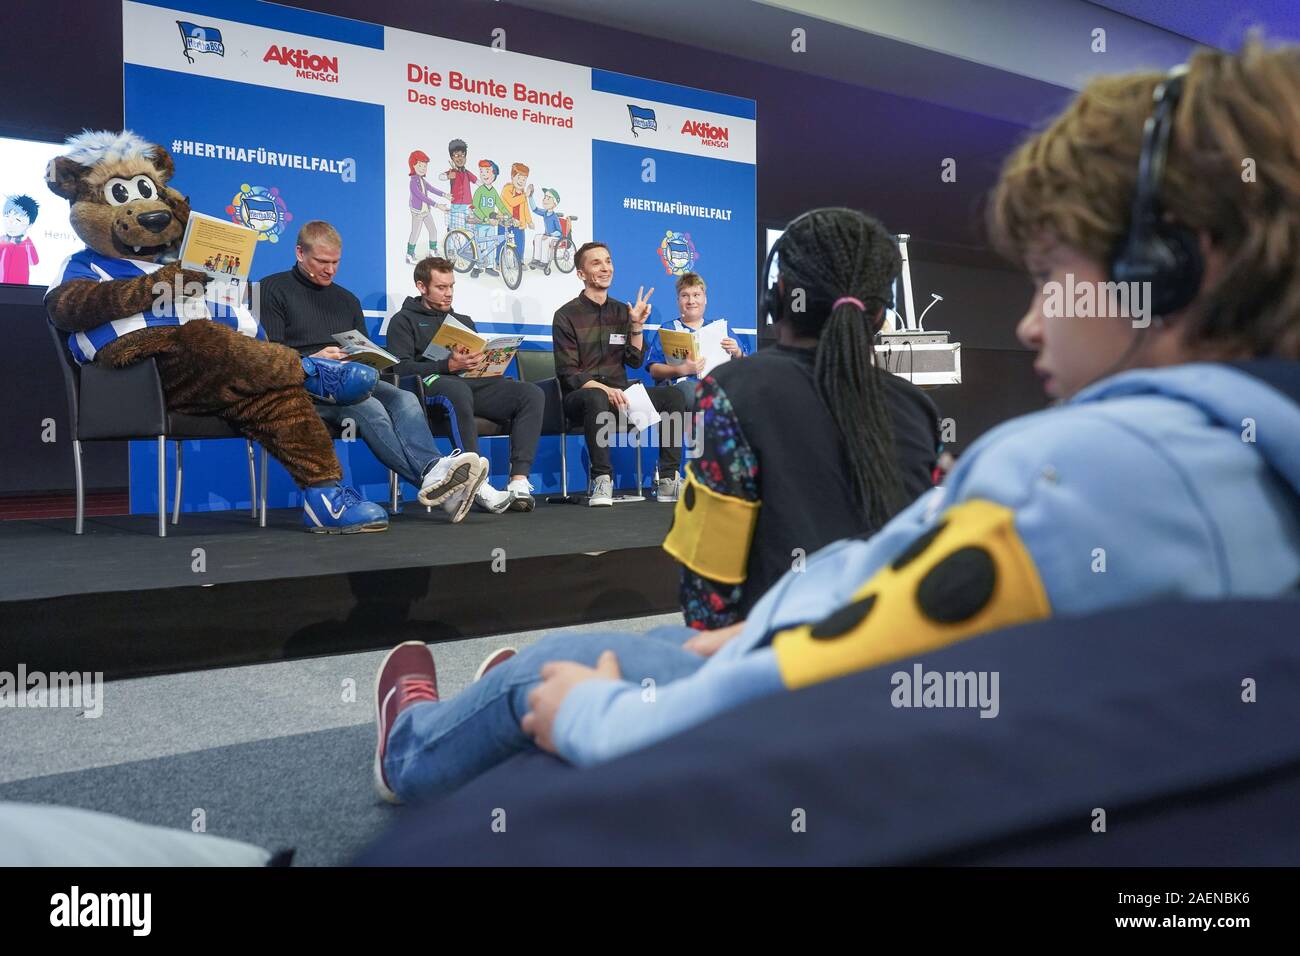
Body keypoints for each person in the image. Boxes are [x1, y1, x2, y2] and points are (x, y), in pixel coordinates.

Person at [370, 41, 1300, 803]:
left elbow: (833, 646)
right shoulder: (1229, 471)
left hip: (838, 740)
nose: (1027, 320)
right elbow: (899, 573)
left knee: (555, 672)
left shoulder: (1071, 472)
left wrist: (602, 712)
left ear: (1171, 264)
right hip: (894, 705)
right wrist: (775, 623)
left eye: (1053, 274)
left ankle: (414, 740)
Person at [663, 213, 942, 629]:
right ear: (881, 316)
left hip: (769, 669)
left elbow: (706, 598)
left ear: (776, 298)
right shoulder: (919, 410)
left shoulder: (728, 391)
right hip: (892, 658)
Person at [256, 220, 486, 521]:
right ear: (300, 253)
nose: (330, 270)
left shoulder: (347, 299)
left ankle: (434, 474)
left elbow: (363, 348)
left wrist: (362, 358)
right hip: (304, 383)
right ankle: (435, 480)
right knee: (371, 408)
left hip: (352, 377)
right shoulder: (271, 289)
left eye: (336, 262)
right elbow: (268, 356)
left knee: (405, 398)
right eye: (322, 262)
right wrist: (313, 357)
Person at [386, 256, 544, 513]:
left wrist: (487, 364)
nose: (448, 294)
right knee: (455, 389)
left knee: (530, 393)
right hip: (427, 385)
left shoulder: (464, 321)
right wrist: (444, 367)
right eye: (441, 287)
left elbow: (469, 363)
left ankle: (519, 481)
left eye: (451, 286)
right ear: (421, 286)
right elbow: (400, 369)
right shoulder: (403, 321)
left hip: (466, 383)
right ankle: (477, 483)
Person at [551, 241, 688, 506]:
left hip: (622, 396)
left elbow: (634, 361)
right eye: (596, 263)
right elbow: (569, 373)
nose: (605, 268)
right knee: (595, 398)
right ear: (581, 273)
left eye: (608, 261)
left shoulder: (620, 312)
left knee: (673, 396)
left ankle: (669, 479)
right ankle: (602, 479)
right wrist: (605, 390)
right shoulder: (565, 315)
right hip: (581, 398)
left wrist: (636, 326)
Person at [644, 271, 744, 412]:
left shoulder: (720, 328)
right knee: (689, 389)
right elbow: (654, 370)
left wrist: (737, 352)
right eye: (685, 296)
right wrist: (683, 369)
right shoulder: (668, 329)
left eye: (696, 295)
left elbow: (745, 362)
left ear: (705, 299)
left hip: (716, 388)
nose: (691, 301)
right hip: (681, 390)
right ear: (678, 300)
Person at [405, 149, 449, 264]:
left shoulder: (422, 180)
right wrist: (437, 205)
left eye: (424, 166)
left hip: (425, 210)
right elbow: (421, 196)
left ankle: (432, 251)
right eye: (420, 165)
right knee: (415, 232)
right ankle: (409, 255)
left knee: (433, 230)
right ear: (413, 165)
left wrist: (444, 195)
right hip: (418, 212)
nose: (423, 168)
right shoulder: (413, 182)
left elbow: (431, 188)